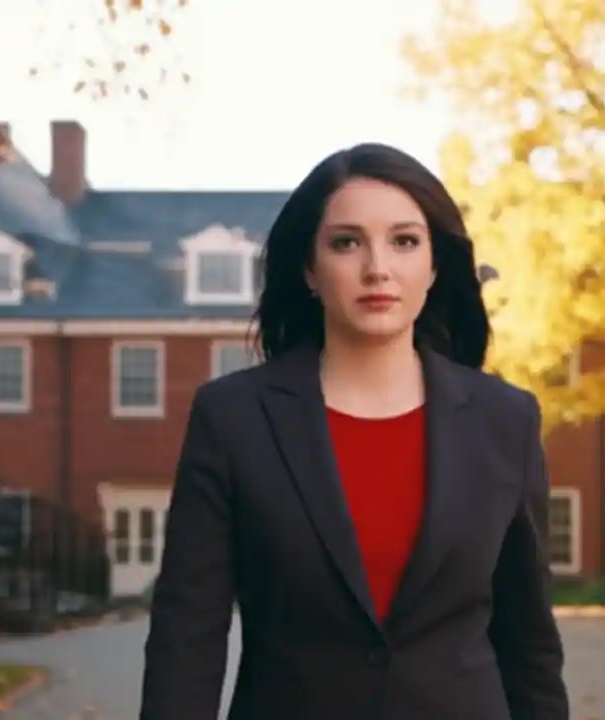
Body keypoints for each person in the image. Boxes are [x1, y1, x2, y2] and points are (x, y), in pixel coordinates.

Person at [139, 142, 569, 720]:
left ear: (434, 265)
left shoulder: (505, 421)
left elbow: (529, 645)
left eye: (404, 241)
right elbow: (187, 637)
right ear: (310, 270)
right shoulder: (233, 418)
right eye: (347, 242)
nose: (377, 268)